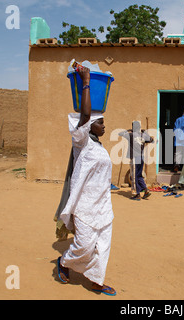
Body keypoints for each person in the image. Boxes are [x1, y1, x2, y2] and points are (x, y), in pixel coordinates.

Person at [55, 66, 116, 296]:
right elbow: (87, 115)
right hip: (84, 206)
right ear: (89, 125)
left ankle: (97, 280)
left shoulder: (99, 147)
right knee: (84, 245)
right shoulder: (81, 142)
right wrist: (87, 81)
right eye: (101, 123)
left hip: (103, 206)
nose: (104, 126)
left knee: (103, 246)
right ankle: (64, 262)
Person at [119, 121, 154, 200]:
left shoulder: (130, 135)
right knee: (139, 176)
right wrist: (145, 133)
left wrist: (129, 130)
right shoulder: (143, 135)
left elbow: (120, 133)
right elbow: (152, 140)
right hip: (141, 158)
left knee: (134, 176)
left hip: (135, 158)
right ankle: (146, 190)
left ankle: (137, 194)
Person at [173, 108, 184, 172]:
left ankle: (176, 166)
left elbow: (175, 130)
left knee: (178, 153)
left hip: (178, 139)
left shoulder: (178, 120)